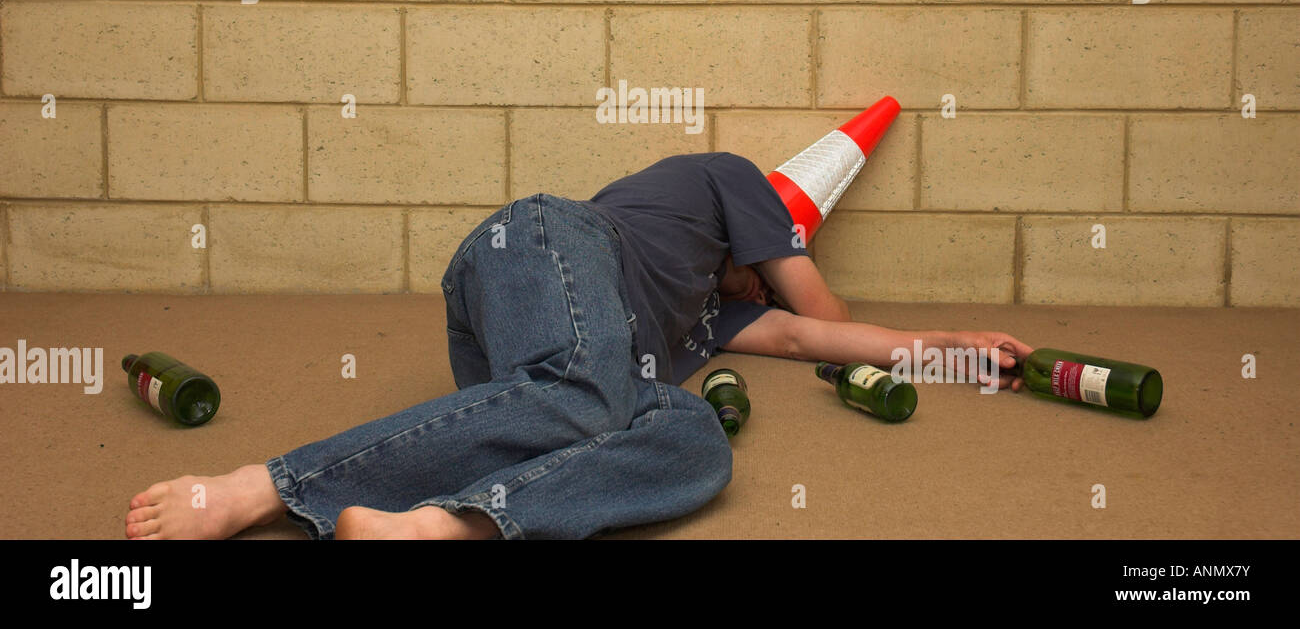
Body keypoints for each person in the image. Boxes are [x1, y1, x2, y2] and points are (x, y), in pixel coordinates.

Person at [124, 152, 1032, 540]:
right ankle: (266, 486)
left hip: (551, 368)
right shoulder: (732, 185)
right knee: (587, 393)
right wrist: (784, 255)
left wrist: (942, 346)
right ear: (769, 239)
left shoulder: (706, 320)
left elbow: (810, 334)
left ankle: (445, 524)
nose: (765, 285)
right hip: (538, 245)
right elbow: (816, 299)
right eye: (773, 260)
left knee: (693, 435)